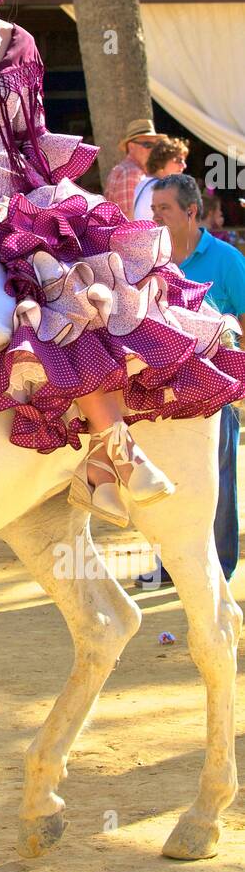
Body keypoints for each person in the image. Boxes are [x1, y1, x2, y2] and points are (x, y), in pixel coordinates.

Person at [0, 0, 245, 529]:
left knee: (102, 286)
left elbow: (33, 135)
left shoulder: (19, 42)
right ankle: (110, 454)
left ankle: (110, 452)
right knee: (60, 288)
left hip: (19, 196)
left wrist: (55, 198)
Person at [149, 174, 245, 584]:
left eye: (163, 209)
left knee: (218, 477)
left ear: (191, 212)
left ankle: (218, 570)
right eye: (152, 210)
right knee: (165, 478)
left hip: (216, 391)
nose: (155, 218)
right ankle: (173, 565)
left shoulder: (227, 260)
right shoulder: (150, 258)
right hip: (161, 388)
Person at [104, 119, 166, 218]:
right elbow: (129, 220)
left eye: (156, 146)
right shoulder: (132, 173)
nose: (154, 150)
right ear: (132, 147)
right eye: (148, 145)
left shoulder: (126, 169)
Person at [132, 137, 189, 221]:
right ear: (161, 162)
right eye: (178, 160)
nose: (184, 166)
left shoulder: (143, 182)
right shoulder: (163, 189)